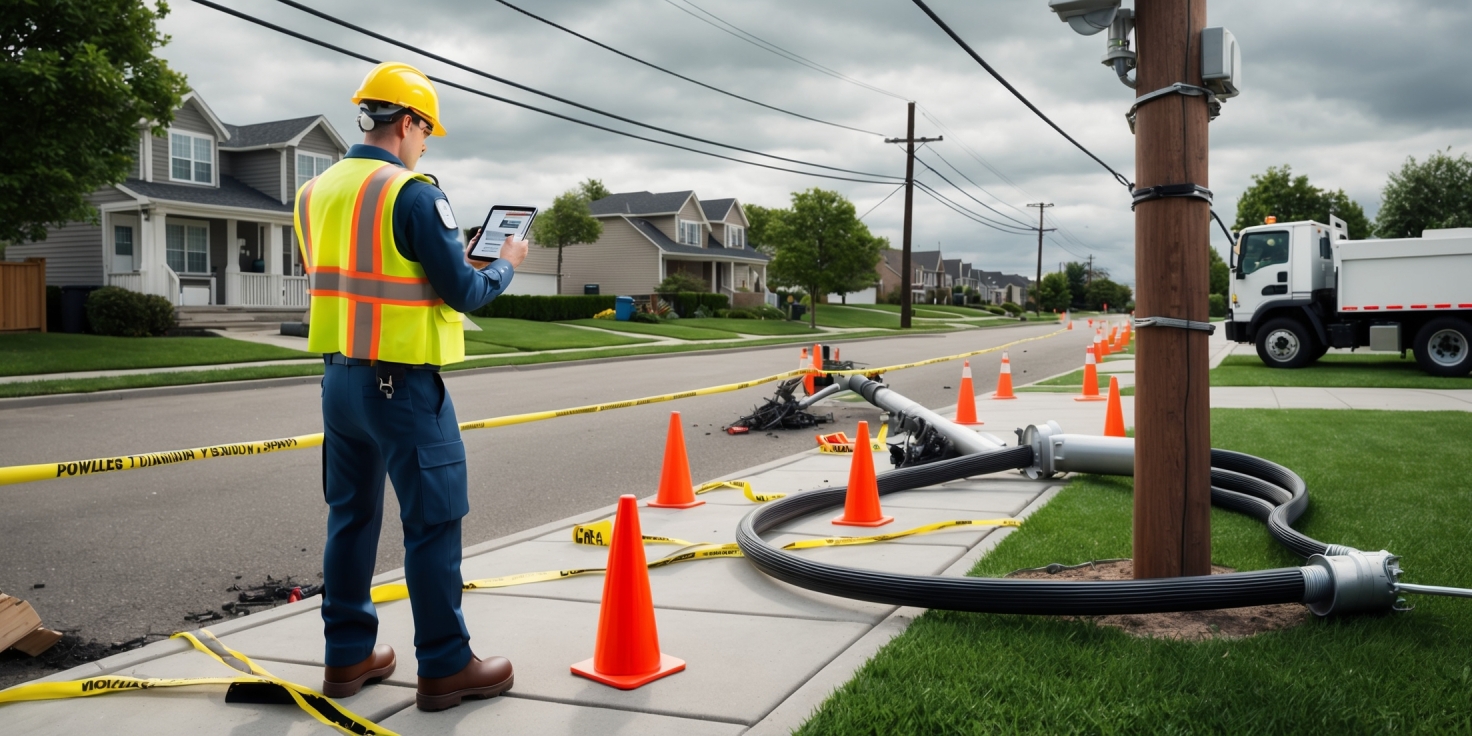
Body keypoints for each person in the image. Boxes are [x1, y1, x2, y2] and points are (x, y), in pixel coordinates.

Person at [292, 61, 529, 712]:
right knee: (432, 523)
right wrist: (502, 265)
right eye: (427, 133)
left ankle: (347, 658)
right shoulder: (414, 194)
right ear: (407, 123)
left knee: (351, 517)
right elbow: (464, 289)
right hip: (401, 387)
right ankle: (447, 666)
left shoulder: (312, 195)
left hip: (338, 383)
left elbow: (361, 271)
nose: (426, 146)